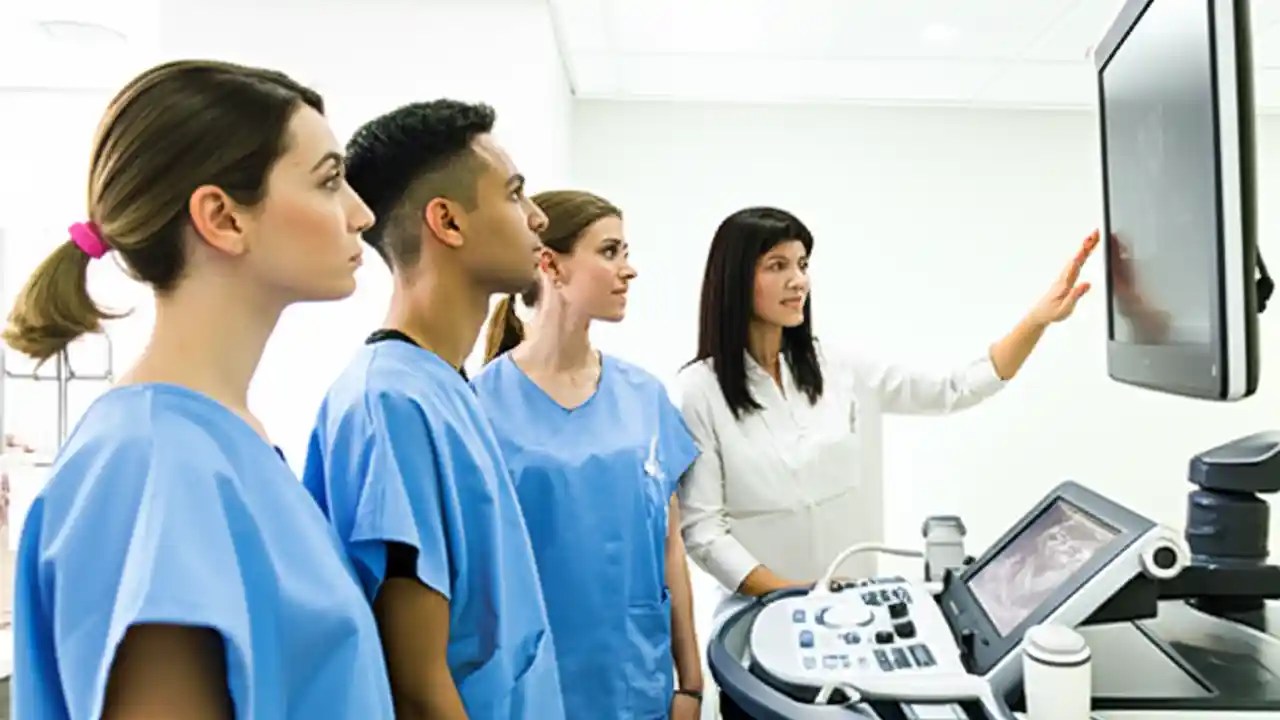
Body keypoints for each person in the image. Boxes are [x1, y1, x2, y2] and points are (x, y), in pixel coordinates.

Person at [2, 60, 394, 719]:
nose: (360, 213)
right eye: (329, 181)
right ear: (223, 217)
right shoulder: (152, 466)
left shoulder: (225, 444)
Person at [674, 207, 1097, 718]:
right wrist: (791, 591)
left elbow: (953, 389)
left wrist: (1036, 321)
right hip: (761, 626)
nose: (798, 281)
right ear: (735, 278)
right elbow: (703, 532)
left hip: (853, 624)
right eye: (777, 265)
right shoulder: (699, 390)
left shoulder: (839, 368)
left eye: (803, 264)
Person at [301, 100, 566, 719]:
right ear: (447, 221)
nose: (538, 217)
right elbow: (418, 689)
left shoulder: (443, 385)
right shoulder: (391, 404)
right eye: (516, 194)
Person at [476, 190, 703, 719]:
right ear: (550, 264)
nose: (629, 270)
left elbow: (671, 546)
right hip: (530, 687)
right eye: (610, 252)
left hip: (635, 681)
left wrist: (690, 683)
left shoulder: (644, 395)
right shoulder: (480, 405)